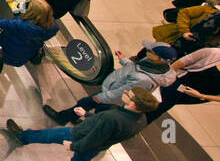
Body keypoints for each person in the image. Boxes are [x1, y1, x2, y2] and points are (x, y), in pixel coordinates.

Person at [4, 87, 156, 161]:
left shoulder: (113, 117)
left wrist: (73, 146)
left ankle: (22, 137)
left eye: (129, 94)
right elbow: (105, 129)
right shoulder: (141, 119)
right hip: (99, 146)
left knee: (48, 135)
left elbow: (95, 136)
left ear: (133, 104)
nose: (125, 92)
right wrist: (87, 115)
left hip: (79, 137)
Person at [43, 41, 177, 125]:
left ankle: (63, 118)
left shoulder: (144, 79)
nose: (147, 51)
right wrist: (124, 60)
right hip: (113, 90)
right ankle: (78, 117)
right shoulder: (155, 66)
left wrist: (101, 97)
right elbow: (134, 69)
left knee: (87, 103)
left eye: (151, 51)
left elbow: (122, 92)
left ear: (158, 58)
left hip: (112, 97)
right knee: (95, 110)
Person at [0, 0, 59, 68]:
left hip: (5, 53)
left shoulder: (20, 25)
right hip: (22, 57)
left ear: (32, 12)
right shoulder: (53, 27)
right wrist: (17, 6)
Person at [151, 0, 220, 44]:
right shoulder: (209, 9)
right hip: (174, 36)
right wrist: (185, 31)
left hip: (191, 45)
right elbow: (184, 12)